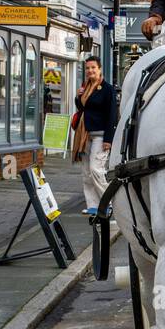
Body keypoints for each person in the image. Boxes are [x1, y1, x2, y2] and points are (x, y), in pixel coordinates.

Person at [73, 56, 118, 214]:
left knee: (96, 169)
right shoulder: (85, 87)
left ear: (99, 69)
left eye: (93, 67)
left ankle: (109, 203)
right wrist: (79, 97)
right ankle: (93, 205)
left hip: (100, 136)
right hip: (85, 136)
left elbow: (112, 114)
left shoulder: (107, 89)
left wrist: (108, 139)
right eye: (87, 68)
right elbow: (82, 109)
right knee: (86, 173)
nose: (90, 70)